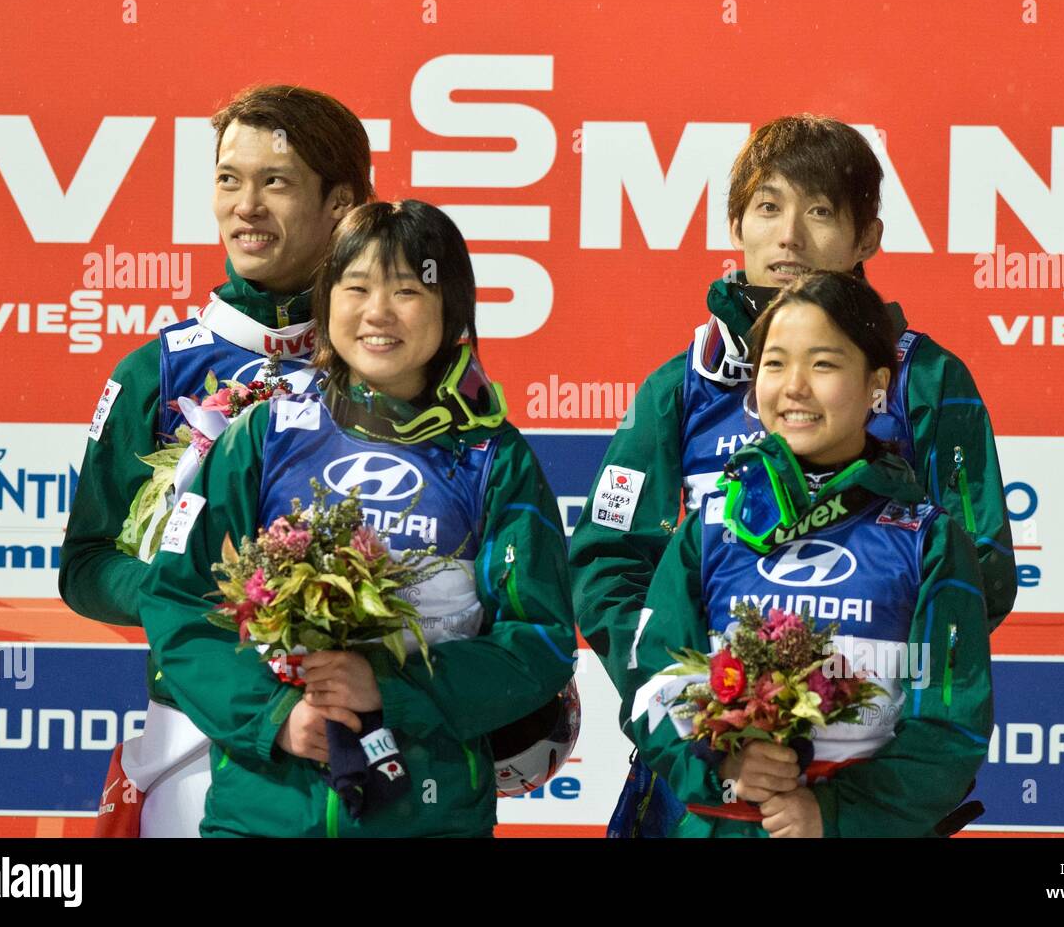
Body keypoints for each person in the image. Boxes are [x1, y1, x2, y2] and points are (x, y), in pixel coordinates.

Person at [567, 114, 1014, 835]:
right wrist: (714, 714)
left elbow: (977, 568)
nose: (790, 239)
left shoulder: (922, 378)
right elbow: (606, 562)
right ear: (736, 224)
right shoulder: (678, 386)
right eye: (769, 208)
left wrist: (843, 709)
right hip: (705, 769)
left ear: (867, 237)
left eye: (820, 212)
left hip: (867, 778)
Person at [138, 200, 577, 837]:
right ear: (327, 299)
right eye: (356, 287)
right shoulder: (263, 435)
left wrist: (388, 692)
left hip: (430, 818)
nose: (377, 313)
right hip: (264, 816)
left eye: (406, 290)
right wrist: (276, 717)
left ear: (450, 307)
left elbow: (537, 640)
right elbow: (178, 601)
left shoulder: (493, 458)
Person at [59, 84, 373, 836]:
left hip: (359, 736)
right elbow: (86, 565)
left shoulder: (389, 370)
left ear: (340, 203)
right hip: (196, 736)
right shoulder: (156, 373)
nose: (246, 206)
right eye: (229, 179)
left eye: (275, 182)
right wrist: (207, 595)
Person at [623, 271, 994, 837]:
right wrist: (725, 765)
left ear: (877, 385)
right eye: (774, 364)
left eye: (822, 364)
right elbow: (654, 680)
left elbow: (951, 731)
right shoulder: (712, 527)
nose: (793, 386)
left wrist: (833, 813)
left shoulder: (929, 539)